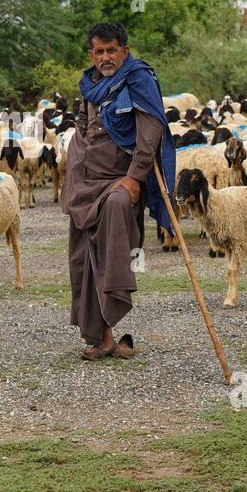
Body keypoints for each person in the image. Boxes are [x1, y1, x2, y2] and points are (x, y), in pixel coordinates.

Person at [61, 21, 175, 360]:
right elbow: (83, 127)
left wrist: (135, 177)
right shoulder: (90, 85)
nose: (106, 57)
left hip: (119, 181)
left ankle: (116, 306)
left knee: (113, 228)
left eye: (113, 50)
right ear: (91, 54)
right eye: (100, 51)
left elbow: (151, 131)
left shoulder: (139, 80)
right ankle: (104, 338)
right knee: (84, 258)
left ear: (125, 51)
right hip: (86, 182)